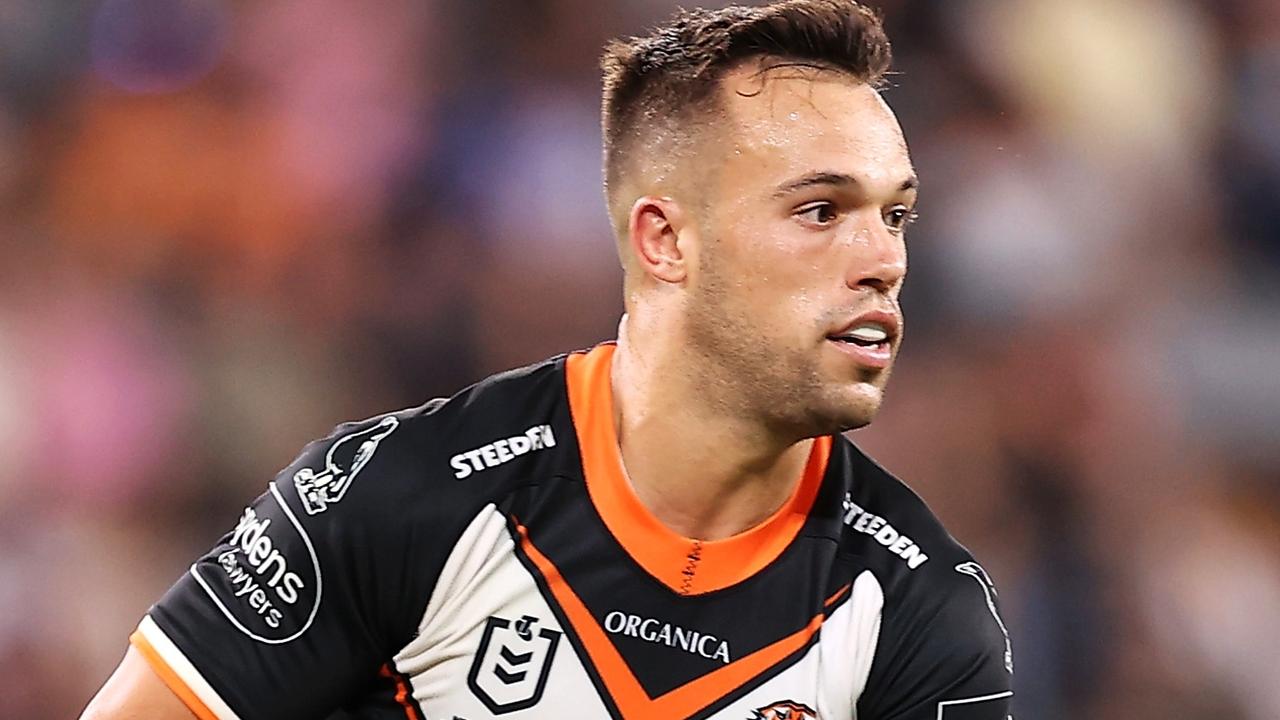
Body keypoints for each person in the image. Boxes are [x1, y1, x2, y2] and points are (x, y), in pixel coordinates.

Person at [81, 1, 1014, 718]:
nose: (885, 259)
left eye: (895, 215)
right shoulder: (405, 497)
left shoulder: (919, 615)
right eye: (822, 211)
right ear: (664, 242)